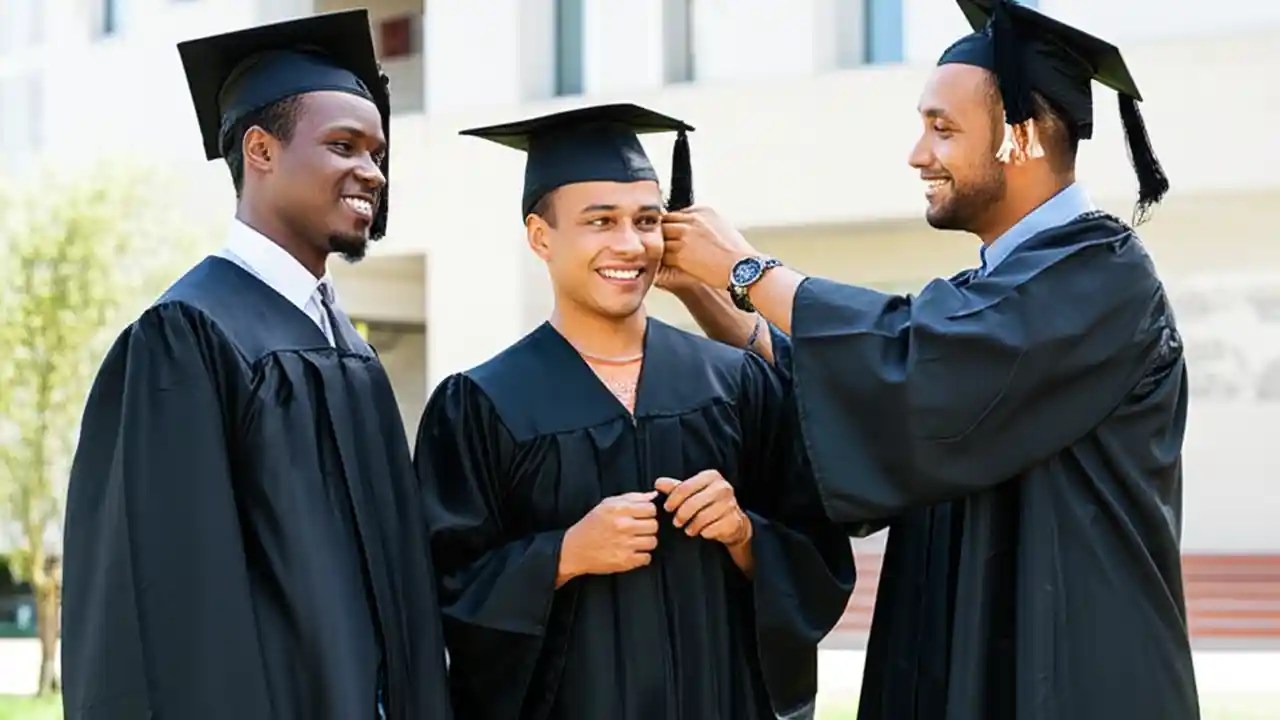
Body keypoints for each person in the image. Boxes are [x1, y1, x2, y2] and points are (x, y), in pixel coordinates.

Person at [659, 1, 1198, 718]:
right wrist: (714, 301)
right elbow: (891, 398)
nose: (918, 154)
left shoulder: (1104, 277)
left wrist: (748, 271)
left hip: (1072, 673)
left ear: (1023, 136)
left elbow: (919, 365)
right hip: (963, 655)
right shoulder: (993, 292)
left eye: (942, 129)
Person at [60, 11, 452, 719]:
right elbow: (169, 619)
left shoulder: (350, 351)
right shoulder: (186, 340)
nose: (370, 171)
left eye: (377, 153)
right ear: (261, 149)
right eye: (343, 146)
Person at [413, 103, 855, 720]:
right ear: (542, 237)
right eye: (601, 221)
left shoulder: (734, 383)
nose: (630, 243)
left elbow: (819, 556)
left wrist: (745, 535)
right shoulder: (482, 405)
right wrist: (563, 555)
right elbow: (438, 593)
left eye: (647, 221)